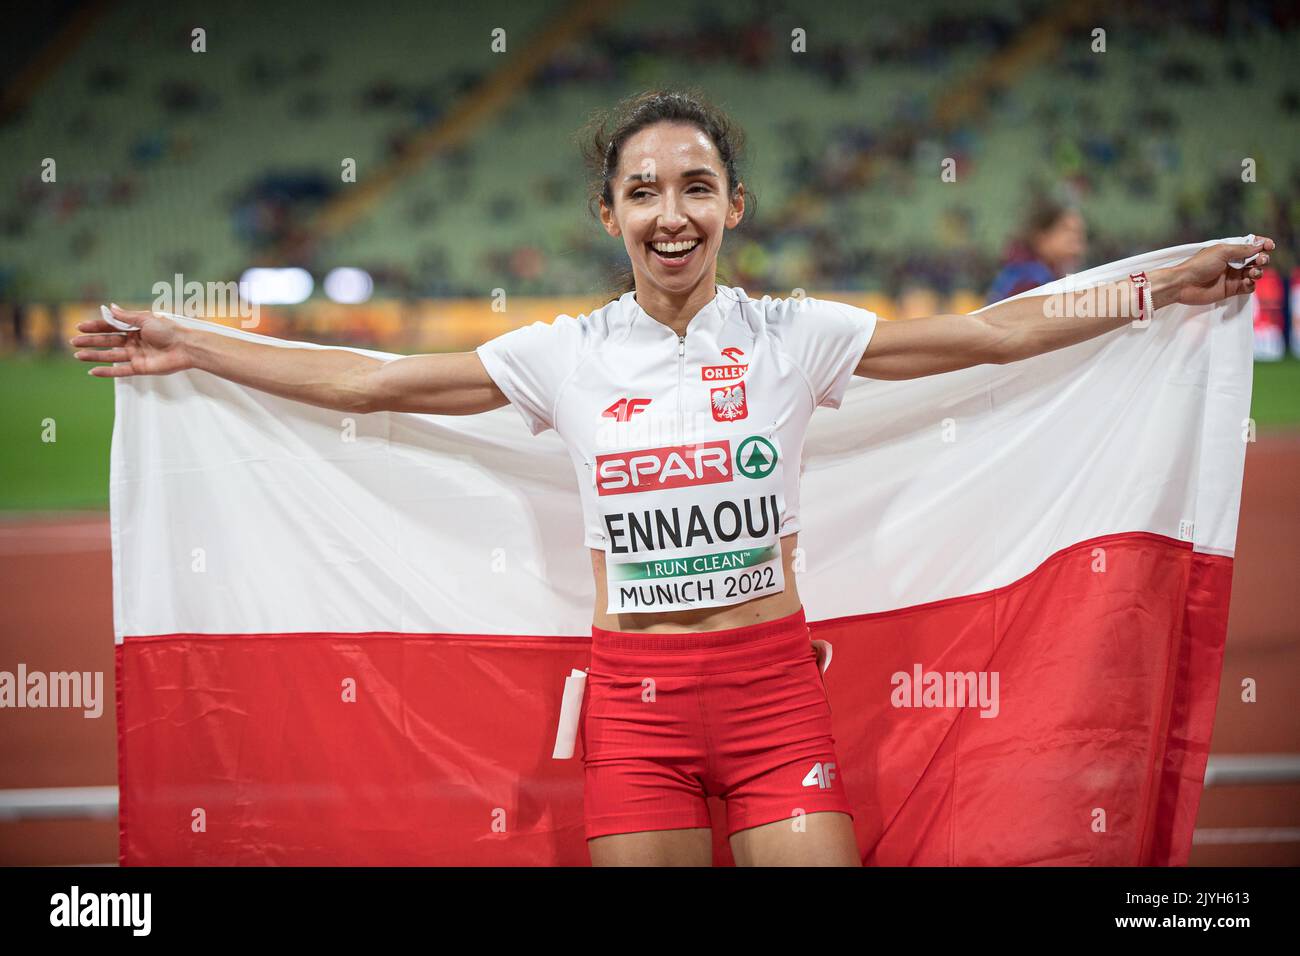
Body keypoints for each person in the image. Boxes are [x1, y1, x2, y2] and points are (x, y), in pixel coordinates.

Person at [71, 89, 1272, 867]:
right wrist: (194, 342)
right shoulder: (563, 353)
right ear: (609, 216)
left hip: (770, 696)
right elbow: (374, 385)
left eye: (694, 185)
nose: (671, 211)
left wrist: (1160, 283)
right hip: (636, 706)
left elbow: (996, 335)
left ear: (732, 206)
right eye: (643, 190)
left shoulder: (795, 334)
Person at [986, 198, 1088, 304]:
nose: (1076, 237)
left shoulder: (1054, 273)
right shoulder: (1028, 280)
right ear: (1041, 236)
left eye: (1080, 231)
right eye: (1066, 229)